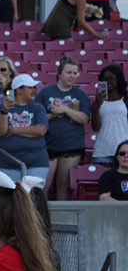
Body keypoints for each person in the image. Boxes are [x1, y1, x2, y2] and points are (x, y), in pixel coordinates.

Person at [36, 57, 90, 199]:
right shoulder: (45, 92)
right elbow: (35, 117)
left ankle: (62, 213)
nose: (72, 76)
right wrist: (52, 115)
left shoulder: (80, 94)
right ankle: (41, 212)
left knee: (63, 184)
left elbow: (84, 118)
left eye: (75, 73)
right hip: (48, 145)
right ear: (60, 73)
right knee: (44, 185)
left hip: (72, 145)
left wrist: (65, 110)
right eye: (69, 72)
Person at [0, 74, 49, 182]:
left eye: (34, 87)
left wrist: (13, 130)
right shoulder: (1, 108)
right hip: (8, 163)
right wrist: (5, 111)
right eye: (30, 87)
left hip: (37, 162)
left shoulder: (38, 108)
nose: (34, 90)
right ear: (18, 90)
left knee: (33, 193)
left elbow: (41, 130)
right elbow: (1, 132)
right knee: (10, 193)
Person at [90, 64, 128, 164]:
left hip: (124, 152)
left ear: (118, 80)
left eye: (112, 79)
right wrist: (97, 105)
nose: (108, 82)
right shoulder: (96, 103)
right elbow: (95, 127)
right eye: (105, 79)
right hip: (102, 152)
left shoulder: (126, 100)